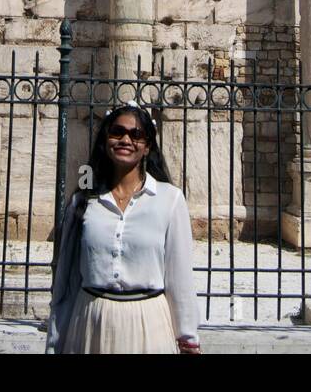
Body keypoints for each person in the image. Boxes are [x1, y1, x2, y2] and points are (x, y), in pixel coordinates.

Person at [45, 102, 201, 354]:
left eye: (136, 134)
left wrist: (188, 338)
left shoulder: (170, 199)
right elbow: (67, 280)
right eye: (117, 132)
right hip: (90, 322)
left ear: (147, 146)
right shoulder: (83, 200)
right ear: (105, 140)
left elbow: (179, 278)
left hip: (148, 323)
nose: (125, 139)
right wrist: (54, 342)